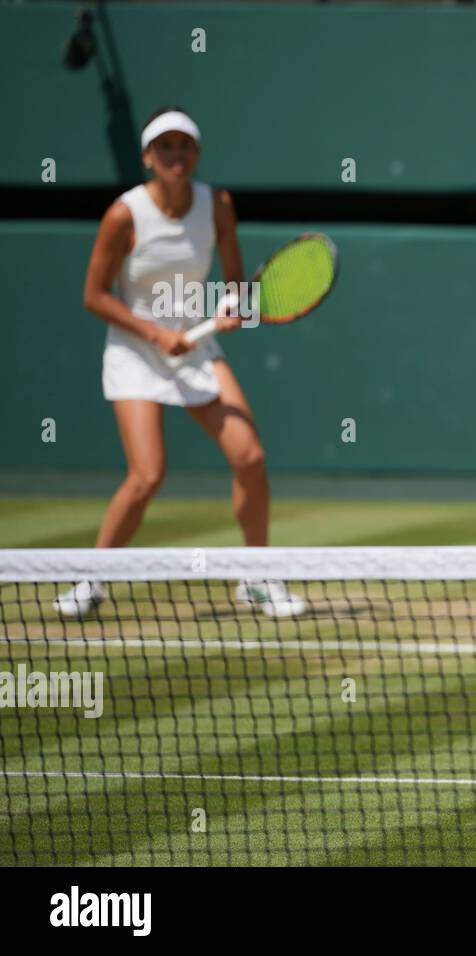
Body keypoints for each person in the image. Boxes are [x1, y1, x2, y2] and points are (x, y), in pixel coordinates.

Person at [54, 107, 304, 619]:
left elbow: (236, 287)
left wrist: (234, 310)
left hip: (197, 349)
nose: (175, 155)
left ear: (196, 155)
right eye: (164, 146)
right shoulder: (124, 214)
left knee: (250, 458)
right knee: (148, 475)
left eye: (184, 146)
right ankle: (91, 581)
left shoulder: (218, 205)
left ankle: (257, 576)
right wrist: (154, 332)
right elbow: (93, 295)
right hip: (135, 350)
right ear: (148, 157)